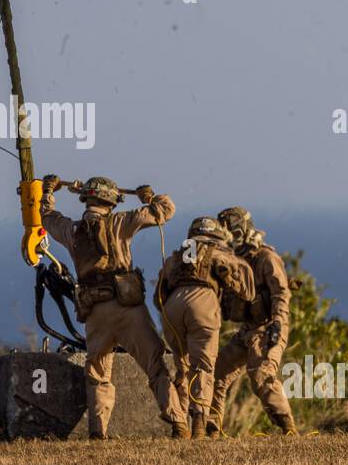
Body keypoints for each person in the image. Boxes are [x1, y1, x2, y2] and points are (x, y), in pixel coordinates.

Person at [40, 175, 188, 439]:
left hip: (94, 313)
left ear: (87, 199)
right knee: (155, 365)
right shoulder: (121, 222)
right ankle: (178, 423)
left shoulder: (72, 231)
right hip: (128, 308)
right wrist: (148, 196)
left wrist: (49, 191)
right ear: (111, 202)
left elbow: (46, 216)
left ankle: (98, 432)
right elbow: (166, 210)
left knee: (97, 372)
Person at [155, 217, 255, 438]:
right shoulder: (218, 251)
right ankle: (199, 423)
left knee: (182, 366)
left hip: (171, 308)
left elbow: (158, 296)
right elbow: (248, 291)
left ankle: (179, 423)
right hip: (203, 302)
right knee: (203, 366)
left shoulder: (176, 256)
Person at [209, 206, 298, 435]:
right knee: (216, 374)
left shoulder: (266, 258)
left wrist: (278, 323)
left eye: (234, 232)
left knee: (261, 375)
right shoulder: (233, 260)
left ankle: (288, 428)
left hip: (268, 327)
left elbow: (281, 294)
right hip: (246, 331)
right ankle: (211, 427)